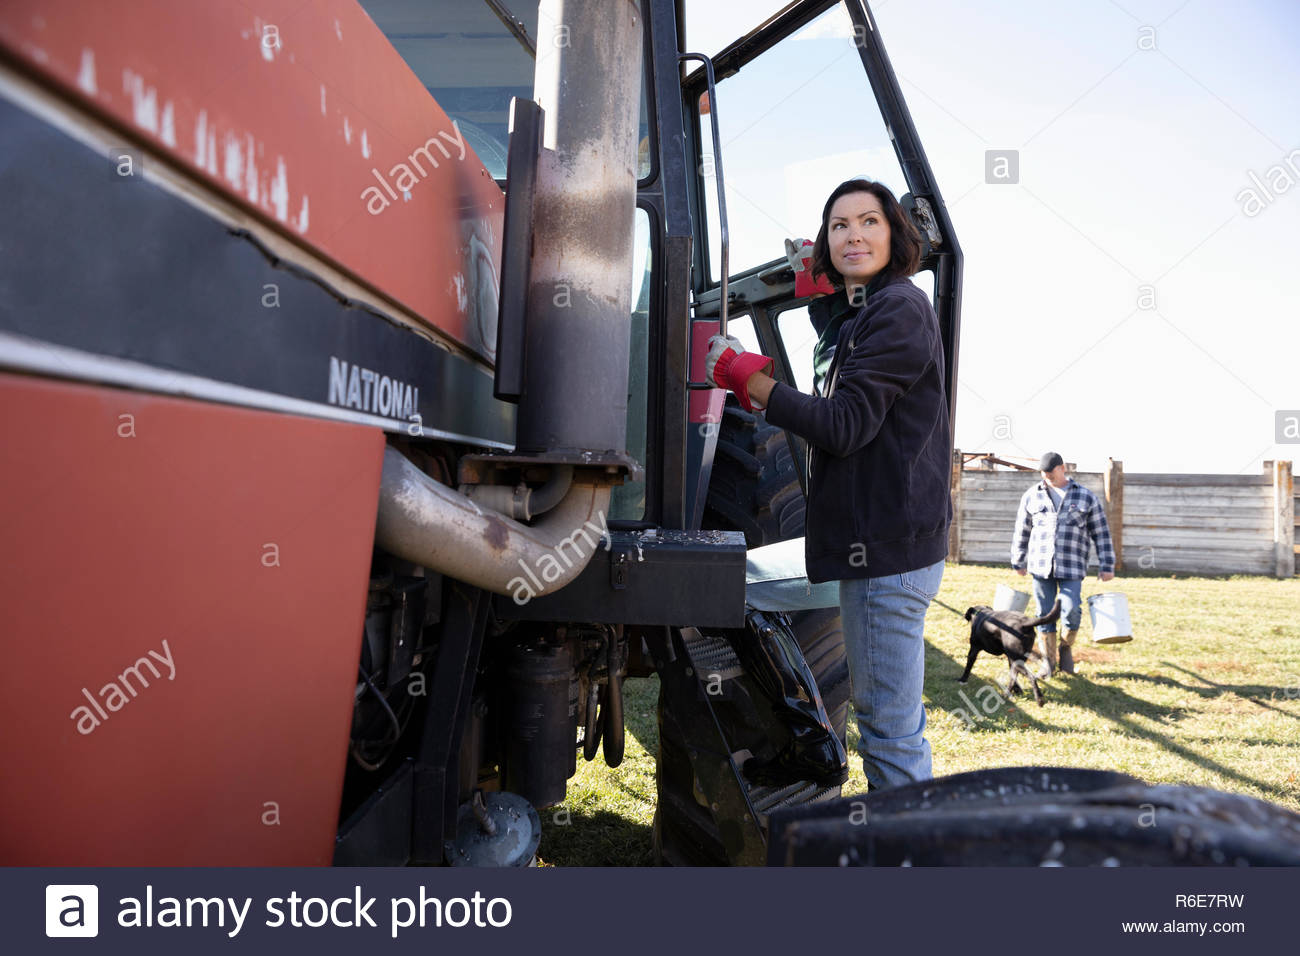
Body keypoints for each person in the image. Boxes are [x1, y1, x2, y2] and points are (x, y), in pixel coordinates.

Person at [705, 178, 952, 791]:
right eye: (839, 226)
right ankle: (808, 741)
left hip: (884, 556)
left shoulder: (900, 309)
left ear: (895, 233)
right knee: (727, 586)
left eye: (869, 221)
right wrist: (818, 293)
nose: (854, 234)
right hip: (851, 544)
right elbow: (840, 349)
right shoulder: (867, 313)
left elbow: (843, 424)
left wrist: (746, 378)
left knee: (891, 734)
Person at [1010, 452, 1116, 675]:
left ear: (1062, 468)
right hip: (1040, 566)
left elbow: (1101, 533)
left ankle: (1066, 648)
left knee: (1071, 611)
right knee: (1044, 614)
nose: (1047, 476)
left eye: (1051, 472)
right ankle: (1049, 662)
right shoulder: (1032, 496)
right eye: (1044, 473)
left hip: (1072, 566)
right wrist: (1018, 560)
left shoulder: (1085, 497)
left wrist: (1107, 565)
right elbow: (1022, 530)